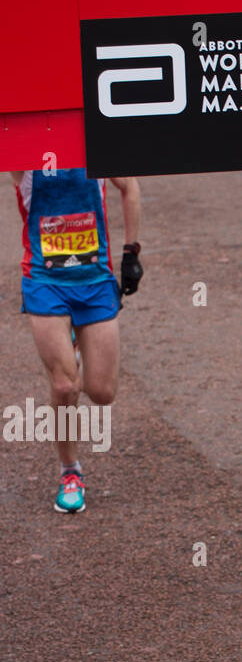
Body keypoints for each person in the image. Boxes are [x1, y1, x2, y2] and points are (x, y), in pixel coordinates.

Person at [11, 167, 142, 512]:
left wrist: (131, 252)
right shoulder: (23, 160)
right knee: (66, 386)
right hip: (44, 281)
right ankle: (70, 472)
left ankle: (74, 347)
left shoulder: (94, 142)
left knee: (102, 393)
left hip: (95, 281)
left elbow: (129, 185)